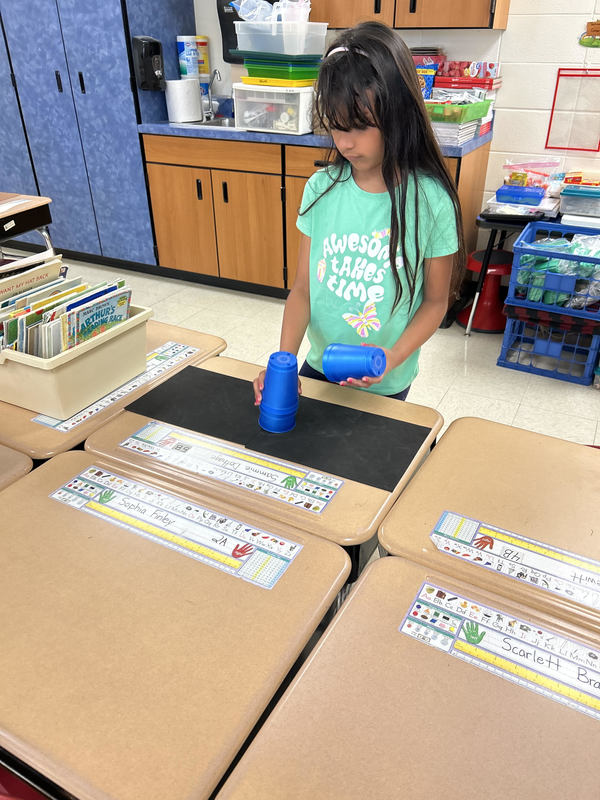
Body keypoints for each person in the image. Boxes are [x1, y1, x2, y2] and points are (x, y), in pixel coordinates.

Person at [253, 20, 465, 404]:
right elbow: (302, 288)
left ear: (398, 113)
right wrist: (283, 358)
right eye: (336, 128)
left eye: (360, 126)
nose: (345, 143)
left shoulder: (431, 203)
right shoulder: (321, 189)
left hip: (383, 375)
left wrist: (393, 357)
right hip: (319, 365)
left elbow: (435, 303)